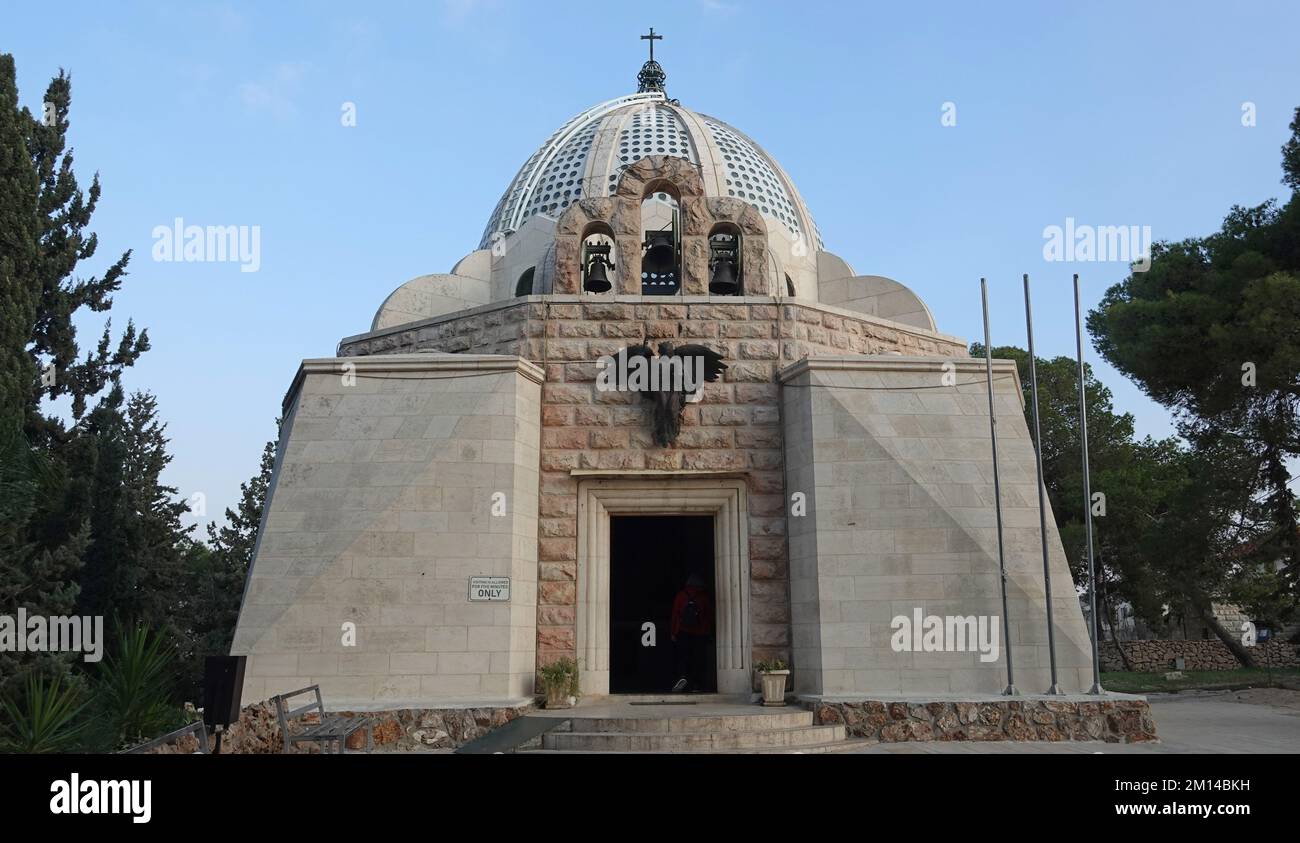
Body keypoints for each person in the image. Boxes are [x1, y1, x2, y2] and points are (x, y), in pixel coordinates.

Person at [670, 573, 712, 692]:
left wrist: (673, 632)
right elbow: (708, 616)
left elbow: (675, 614)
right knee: (698, 659)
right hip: (700, 633)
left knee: (683, 656)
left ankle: (682, 677)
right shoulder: (703, 597)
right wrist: (708, 632)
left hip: (683, 631)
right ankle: (696, 685)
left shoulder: (681, 595)